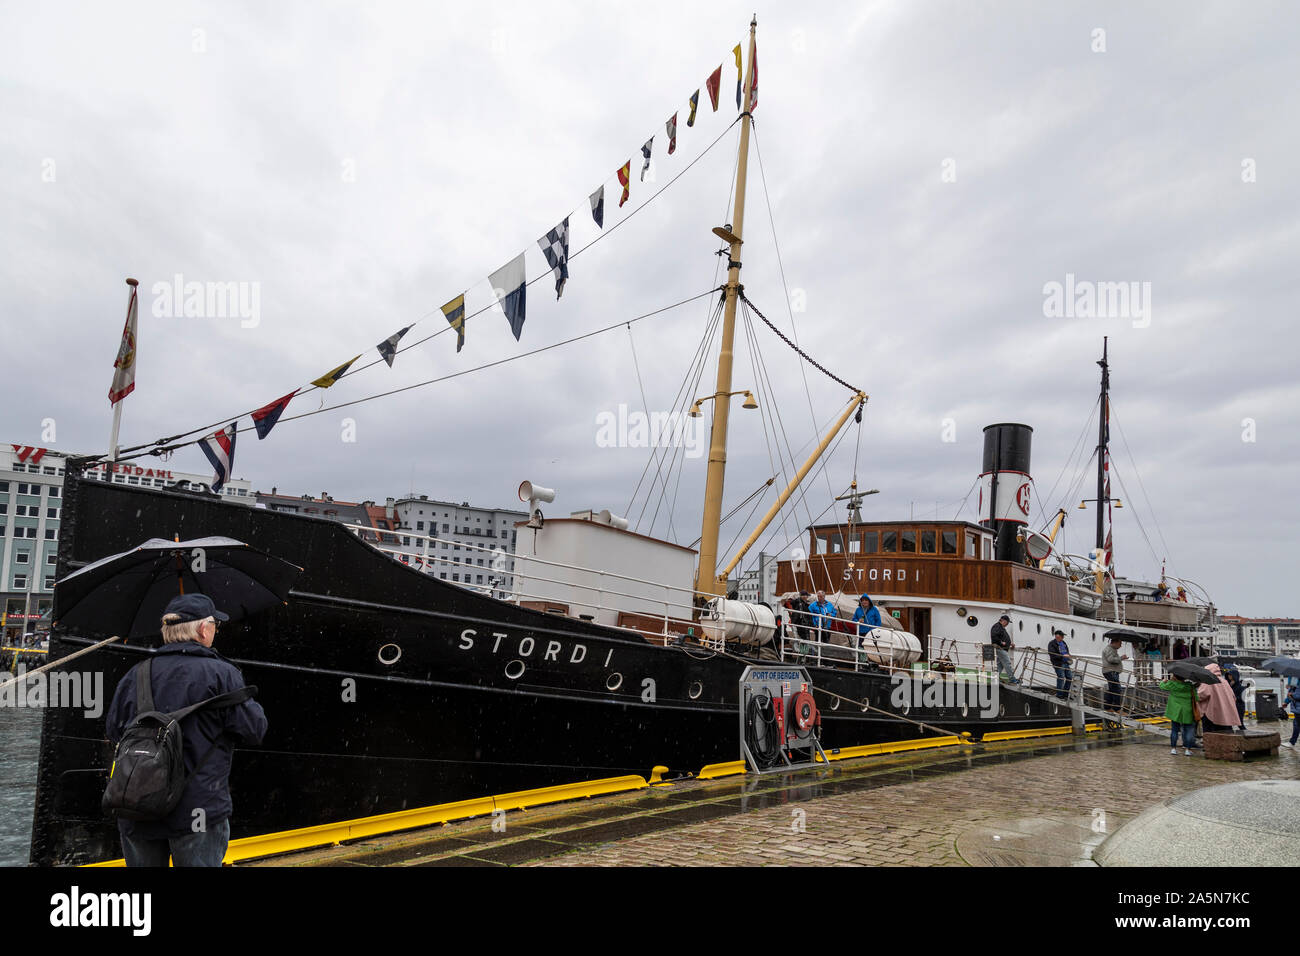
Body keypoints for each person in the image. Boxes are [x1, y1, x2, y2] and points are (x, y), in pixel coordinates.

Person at [106, 594, 267, 867]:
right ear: (204, 629)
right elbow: (254, 729)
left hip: (137, 805)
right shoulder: (221, 673)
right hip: (197, 810)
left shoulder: (136, 674)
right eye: (215, 623)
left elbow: (114, 732)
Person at [1196, 663, 1243, 734]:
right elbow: (1233, 697)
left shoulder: (1208, 681)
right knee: (1225, 733)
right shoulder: (1225, 682)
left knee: (1210, 734)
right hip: (1226, 714)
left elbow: (1200, 695)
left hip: (1211, 714)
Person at [1159, 675, 1197, 755]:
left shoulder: (1172, 684)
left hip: (1175, 711)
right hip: (1187, 710)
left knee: (1174, 730)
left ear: (1175, 677)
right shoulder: (1189, 686)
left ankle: (1173, 749)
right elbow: (1197, 698)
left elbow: (1162, 686)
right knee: (1189, 730)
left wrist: (1164, 681)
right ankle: (1187, 750)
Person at [989, 614, 1019, 684]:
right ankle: (1012, 679)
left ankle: (995, 678)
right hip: (1000, 648)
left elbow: (1002, 637)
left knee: (1000, 665)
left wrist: (1009, 644)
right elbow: (994, 636)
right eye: (1007, 623)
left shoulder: (1000, 627)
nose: (1007, 624)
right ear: (1004, 621)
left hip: (1002, 648)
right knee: (1007, 663)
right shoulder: (997, 626)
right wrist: (1001, 642)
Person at [1101, 636, 1128, 711]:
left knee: (1112, 689)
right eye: (1120, 643)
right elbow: (1111, 659)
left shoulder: (1111, 649)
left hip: (1110, 671)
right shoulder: (1110, 649)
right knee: (1117, 689)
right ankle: (1116, 708)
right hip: (1111, 671)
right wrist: (1121, 658)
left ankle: (1108, 707)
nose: (1120, 645)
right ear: (1115, 643)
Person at [1047, 628, 1072, 699]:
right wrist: (1062, 656)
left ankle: (1065, 694)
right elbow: (1052, 654)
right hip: (1058, 663)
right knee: (1061, 677)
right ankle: (1059, 694)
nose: (1063, 637)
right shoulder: (1052, 643)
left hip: (1066, 663)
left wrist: (1068, 657)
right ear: (1057, 636)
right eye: (1062, 636)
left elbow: (1067, 651)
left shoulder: (1063, 643)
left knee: (1069, 678)